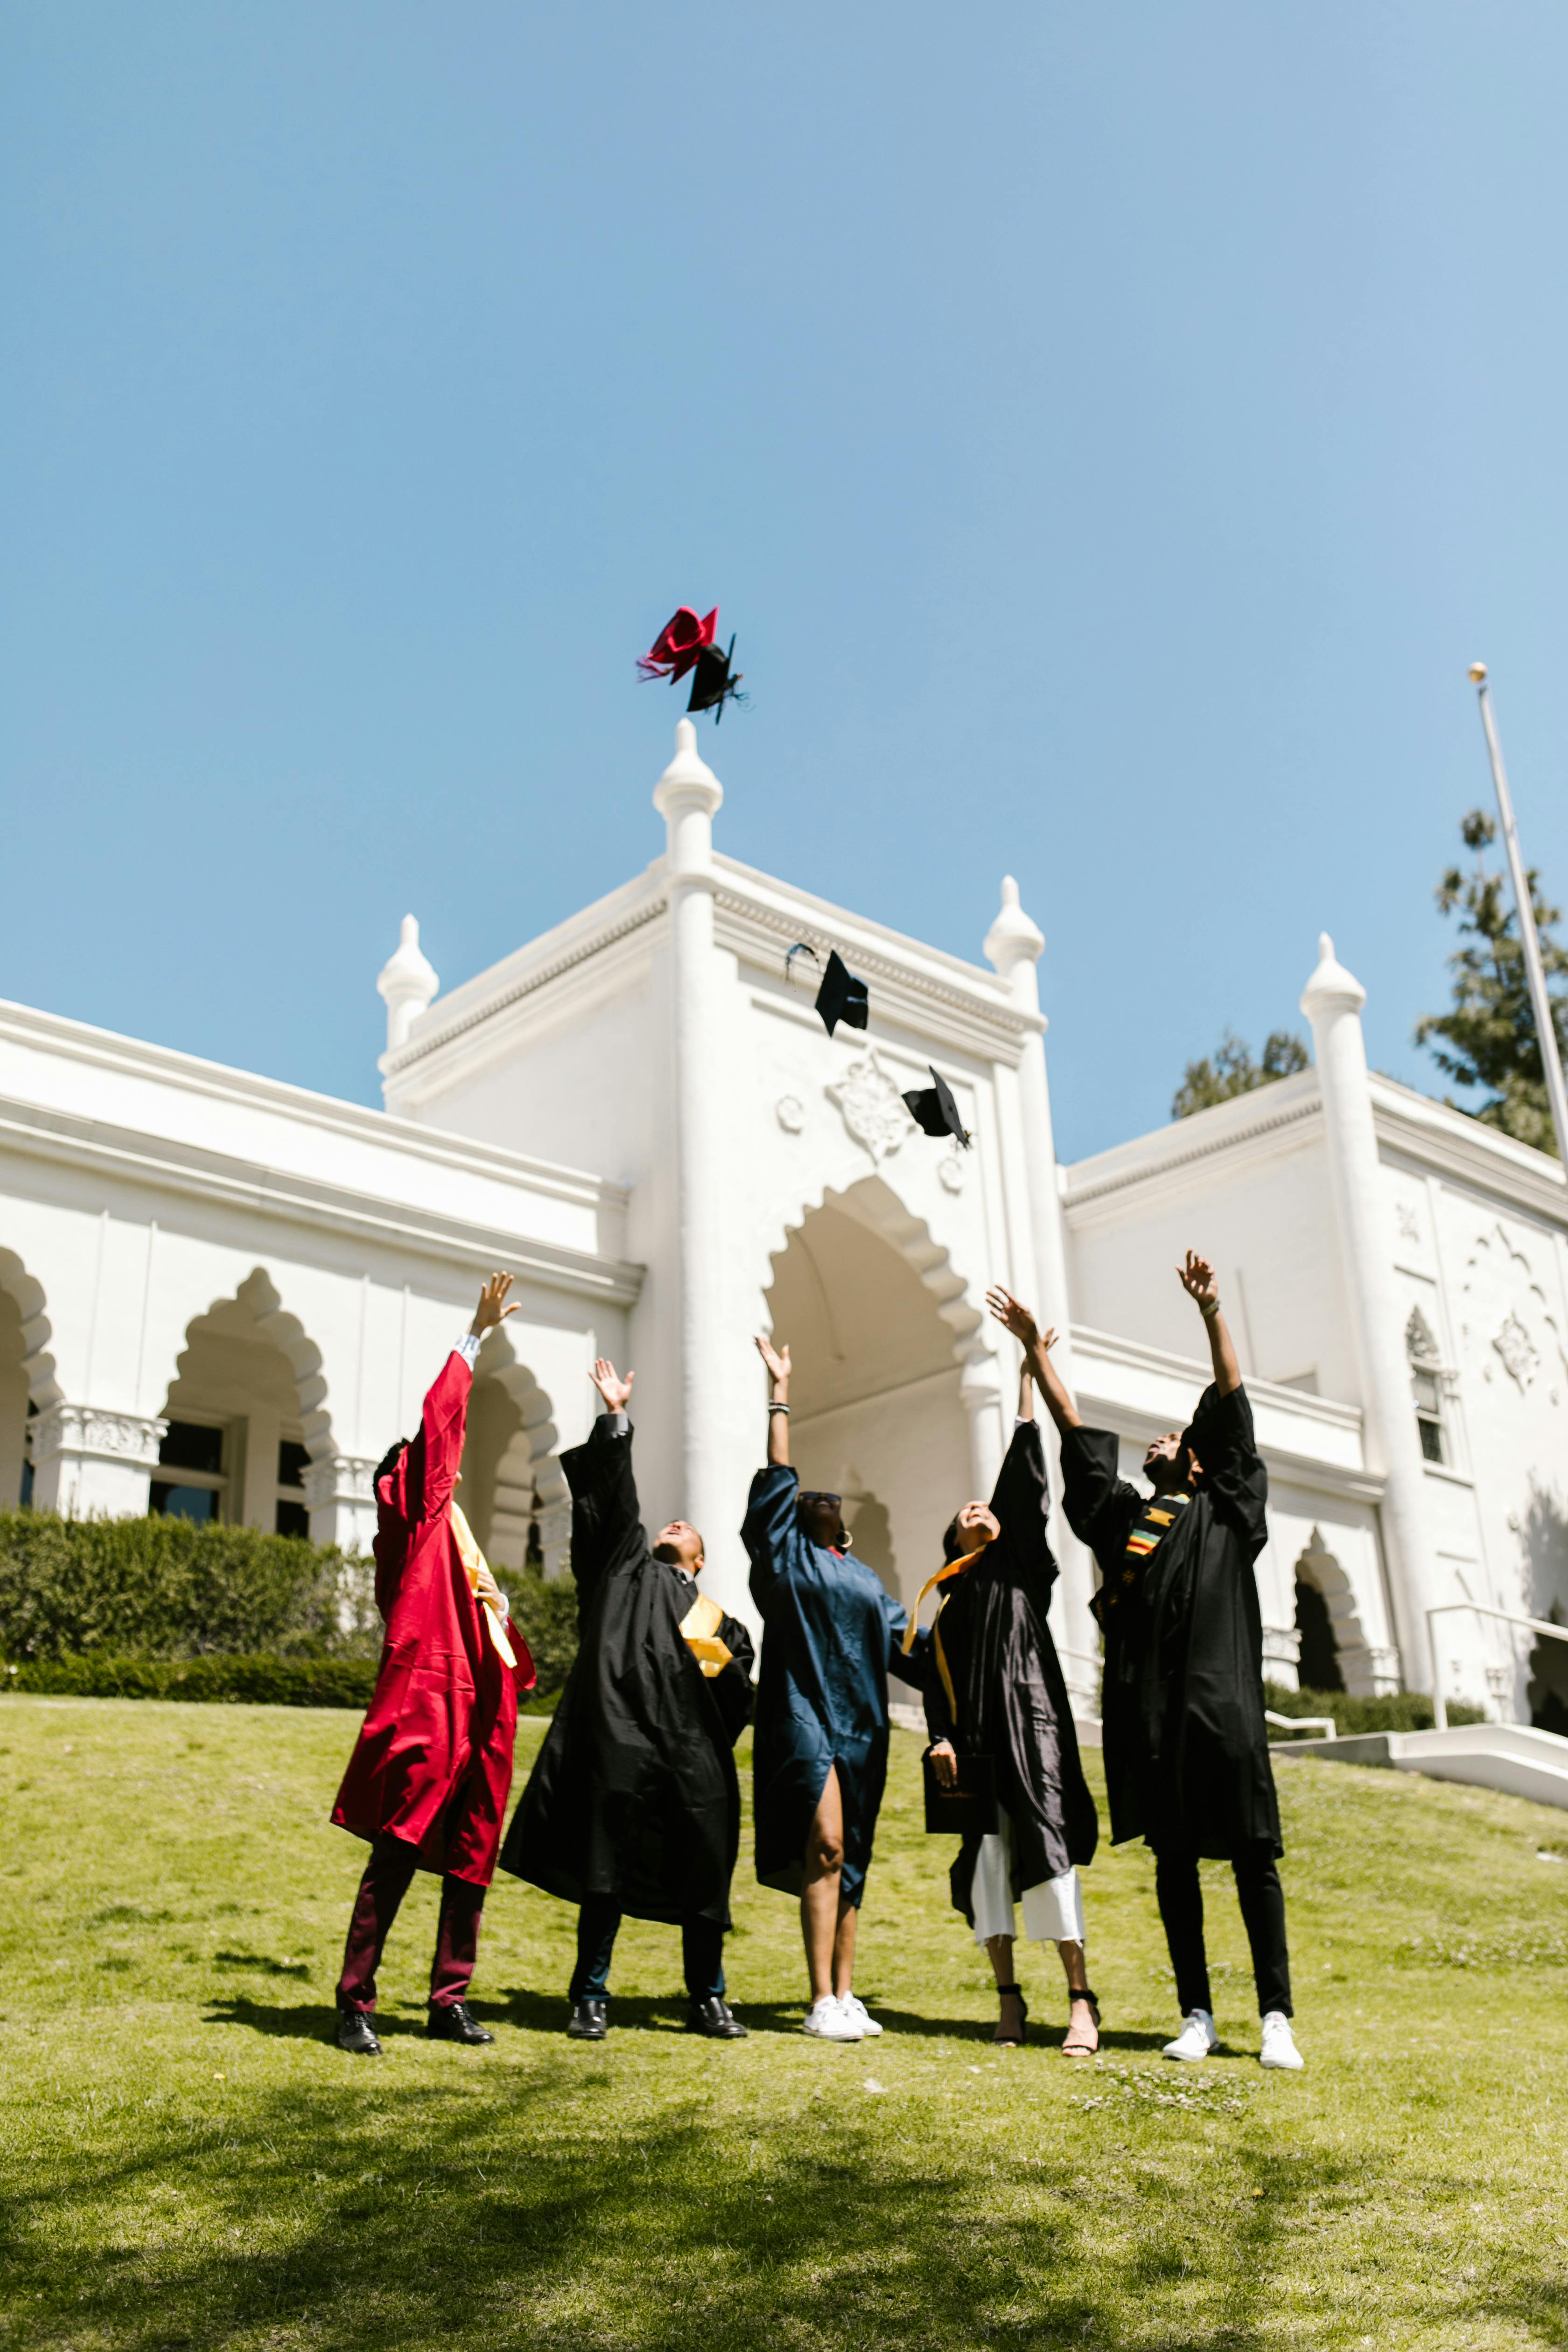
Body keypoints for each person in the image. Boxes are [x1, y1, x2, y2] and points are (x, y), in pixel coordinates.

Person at [989, 1254, 1304, 2072]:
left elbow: (1233, 1403)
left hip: (1224, 1706)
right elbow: (1074, 1432)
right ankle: (1196, 2013)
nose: (1159, 1440)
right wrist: (1037, 1353)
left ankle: (1276, 2018)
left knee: (1251, 1859)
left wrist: (1210, 1312)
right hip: (1153, 1713)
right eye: (1161, 1438)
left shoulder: (1230, 1509)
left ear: (1199, 1461)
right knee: (1175, 1864)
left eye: (1175, 1437)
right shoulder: (1125, 1519)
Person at [498, 1356, 755, 2041]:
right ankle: (590, 1997)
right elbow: (616, 1503)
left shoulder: (721, 1621)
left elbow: (737, 1699)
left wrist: (713, 1671)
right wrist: (616, 1418)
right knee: (603, 1867)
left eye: (686, 1529)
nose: (673, 1524)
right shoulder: (622, 1569)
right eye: (668, 1524)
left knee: (703, 1872)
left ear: (700, 1560)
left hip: (691, 1755)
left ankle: (708, 1998)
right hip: (618, 1738)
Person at [331, 1273, 537, 2056]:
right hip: (435, 1697)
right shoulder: (413, 1518)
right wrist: (474, 1336)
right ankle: (356, 2001)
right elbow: (440, 1428)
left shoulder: (452, 1539)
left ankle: (448, 1999)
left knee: (472, 1852)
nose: (443, 1474)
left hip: (480, 1702)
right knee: (401, 1846)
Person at [742, 1334, 932, 2043]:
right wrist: (780, 1394)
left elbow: (911, 1650)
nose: (818, 1497)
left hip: (864, 1727)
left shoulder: (867, 1582)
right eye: (804, 1499)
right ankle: (820, 1996)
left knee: (849, 1856)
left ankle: (847, 1995)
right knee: (823, 1841)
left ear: (847, 1534)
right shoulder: (783, 1560)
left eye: (832, 1503)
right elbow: (778, 1478)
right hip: (802, 1714)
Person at [921, 1350, 1100, 2051]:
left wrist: (1026, 1381)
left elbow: (1024, 1489)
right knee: (988, 1862)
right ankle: (1008, 2000)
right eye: (969, 1510)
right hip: (977, 1747)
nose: (982, 1509)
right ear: (955, 1540)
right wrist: (939, 1737)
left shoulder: (1022, 1572)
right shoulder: (948, 1608)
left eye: (988, 1507)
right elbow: (938, 1687)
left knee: (1051, 1853)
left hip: (1036, 1731)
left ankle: (1081, 2001)